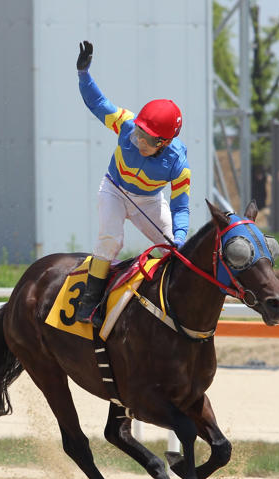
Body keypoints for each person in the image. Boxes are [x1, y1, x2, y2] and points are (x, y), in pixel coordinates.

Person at [75, 40, 191, 326]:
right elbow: (98, 103)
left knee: (173, 251)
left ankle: (170, 305)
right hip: (114, 189)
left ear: (165, 142)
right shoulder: (126, 124)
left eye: (148, 140)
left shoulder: (178, 164)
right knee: (111, 239)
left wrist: (180, 235)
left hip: (149, 202)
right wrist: (83, 74)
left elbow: (181, 206)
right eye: (139, 133)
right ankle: (90, 303)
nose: (138, 141)